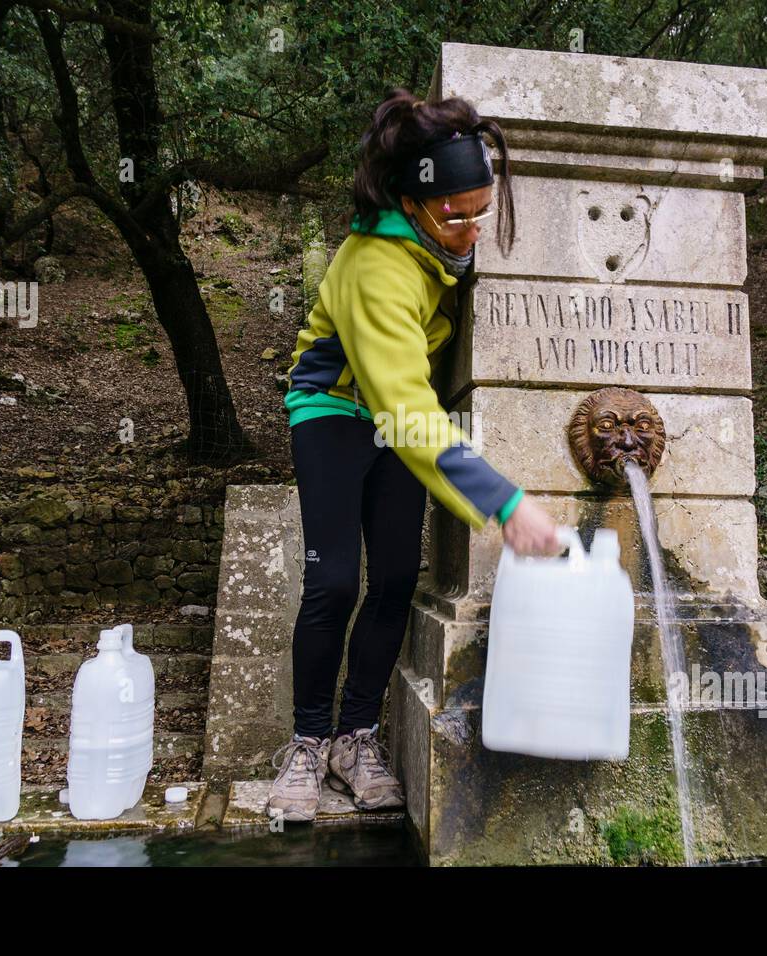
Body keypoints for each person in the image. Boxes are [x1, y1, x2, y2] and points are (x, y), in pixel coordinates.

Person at [266, 89, 562, 822]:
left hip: (398, 424)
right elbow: (404, 405)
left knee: (397, 576)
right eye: (452, 215)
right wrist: (505, 499)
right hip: (336, 411)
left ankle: (354, 739)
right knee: (335, 580)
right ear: (411, 202)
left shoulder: (442, 252)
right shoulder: (375, 265)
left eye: (479, 213)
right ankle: (306, 742)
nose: (469, 230)